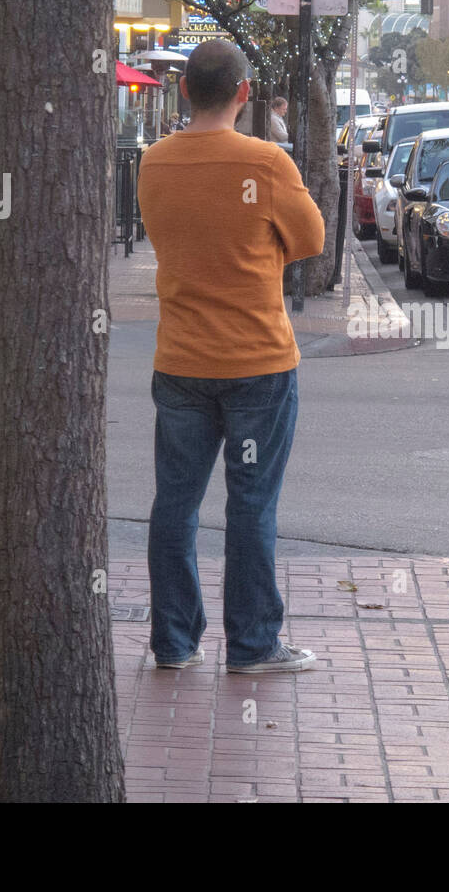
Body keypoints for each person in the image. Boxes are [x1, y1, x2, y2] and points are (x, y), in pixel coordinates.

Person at [138, 39, 324, 674]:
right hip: (256, 362)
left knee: (175, 503)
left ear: (185, 90)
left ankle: (173, 640)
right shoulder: (266, 164)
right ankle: (251, 644)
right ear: (244, 93)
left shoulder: (153, 162)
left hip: (182, 361)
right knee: (250, 504)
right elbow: (311, 239)